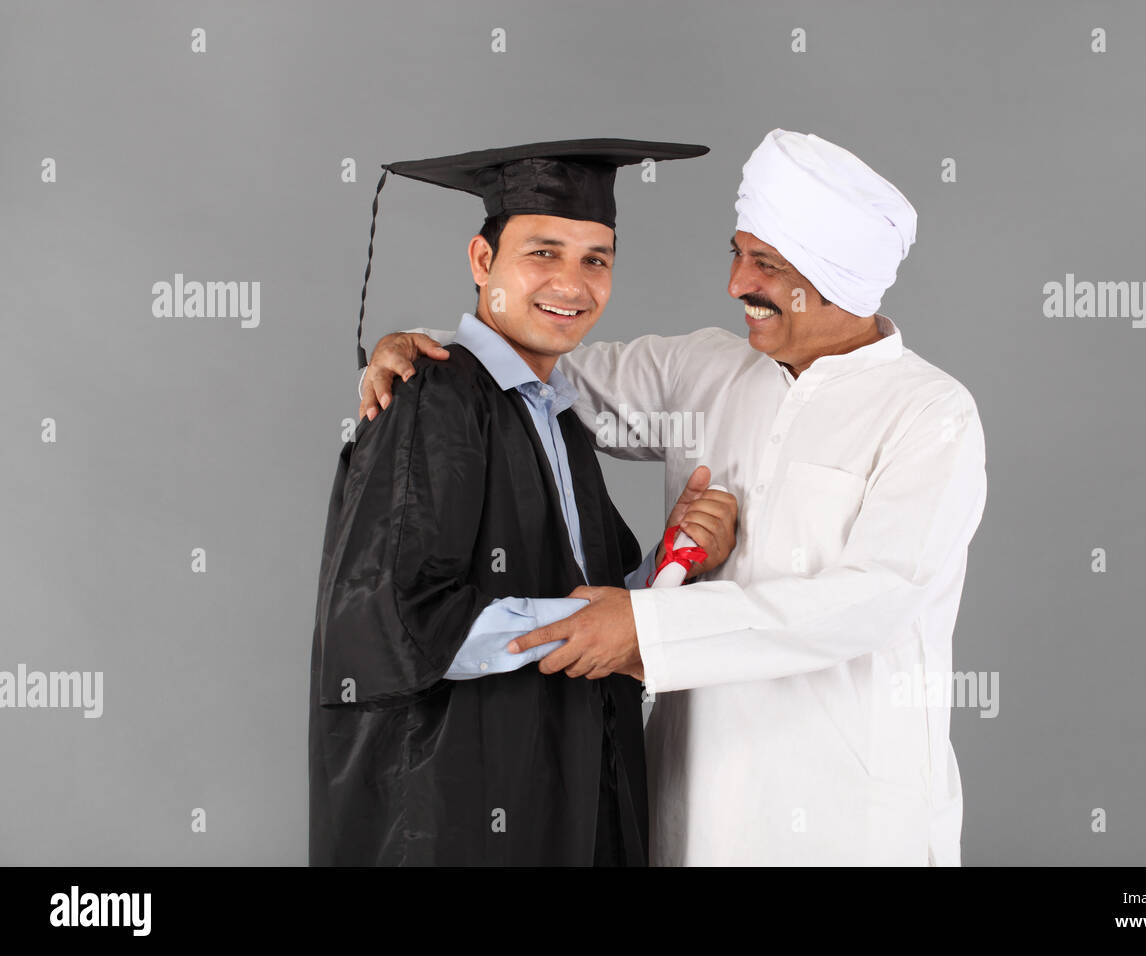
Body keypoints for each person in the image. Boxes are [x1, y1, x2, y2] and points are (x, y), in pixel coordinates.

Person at [359, 129, 988, 865]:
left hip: (849, 821)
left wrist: (645, 630)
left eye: (766, 264)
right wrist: (425, 352)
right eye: (737, 253)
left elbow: (873, 602)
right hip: (688, 812)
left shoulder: (929, 413)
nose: (735, 284)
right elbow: (540, 371)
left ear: (838, 277)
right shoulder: (706, 371)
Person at [309, 138, 732, 866]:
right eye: (543, 252)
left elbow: (582, 599)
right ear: (483, 262)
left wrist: (673, 563)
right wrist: (607, 623)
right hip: (454, 803)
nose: (572, 282)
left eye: (595, 259)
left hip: (558, 790)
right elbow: (398, 617)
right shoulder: (432, 398)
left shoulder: (555, 414)